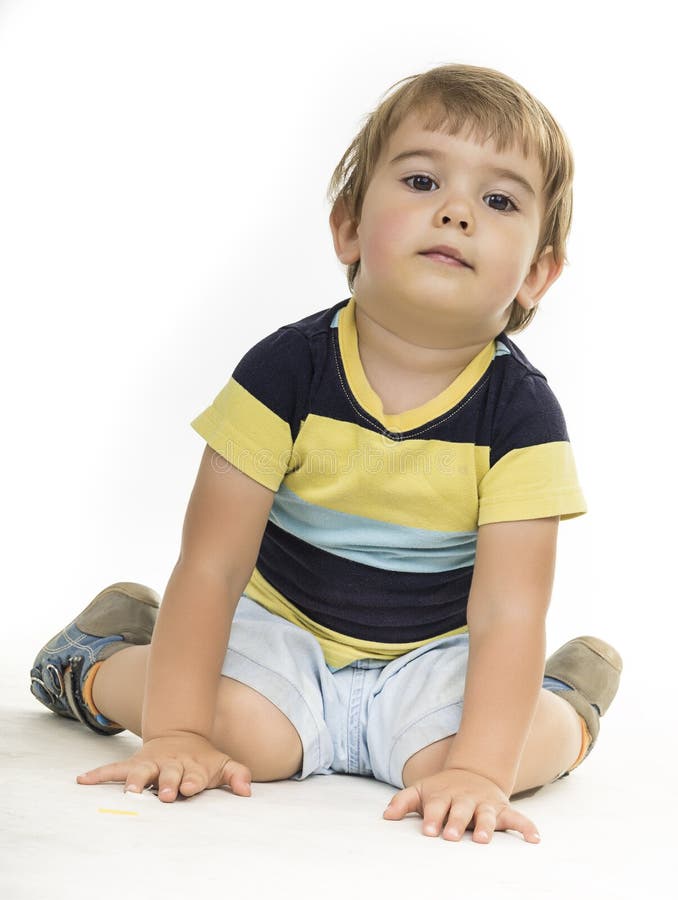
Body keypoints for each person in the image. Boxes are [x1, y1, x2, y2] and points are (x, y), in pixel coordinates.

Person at [29, 63, 622, 844]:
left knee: (494, 754)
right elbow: (212, 564)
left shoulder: (520, 413)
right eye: (420, 180)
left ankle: (568, 704)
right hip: (283, 633)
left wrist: (479, 774)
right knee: (238, 736)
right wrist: (174, 732)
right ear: (346, 225)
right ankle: (95, 661)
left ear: (538, 274)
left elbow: (509, 609)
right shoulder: (288, 370)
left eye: (499, 200)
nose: (455, 213)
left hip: (430, 658)